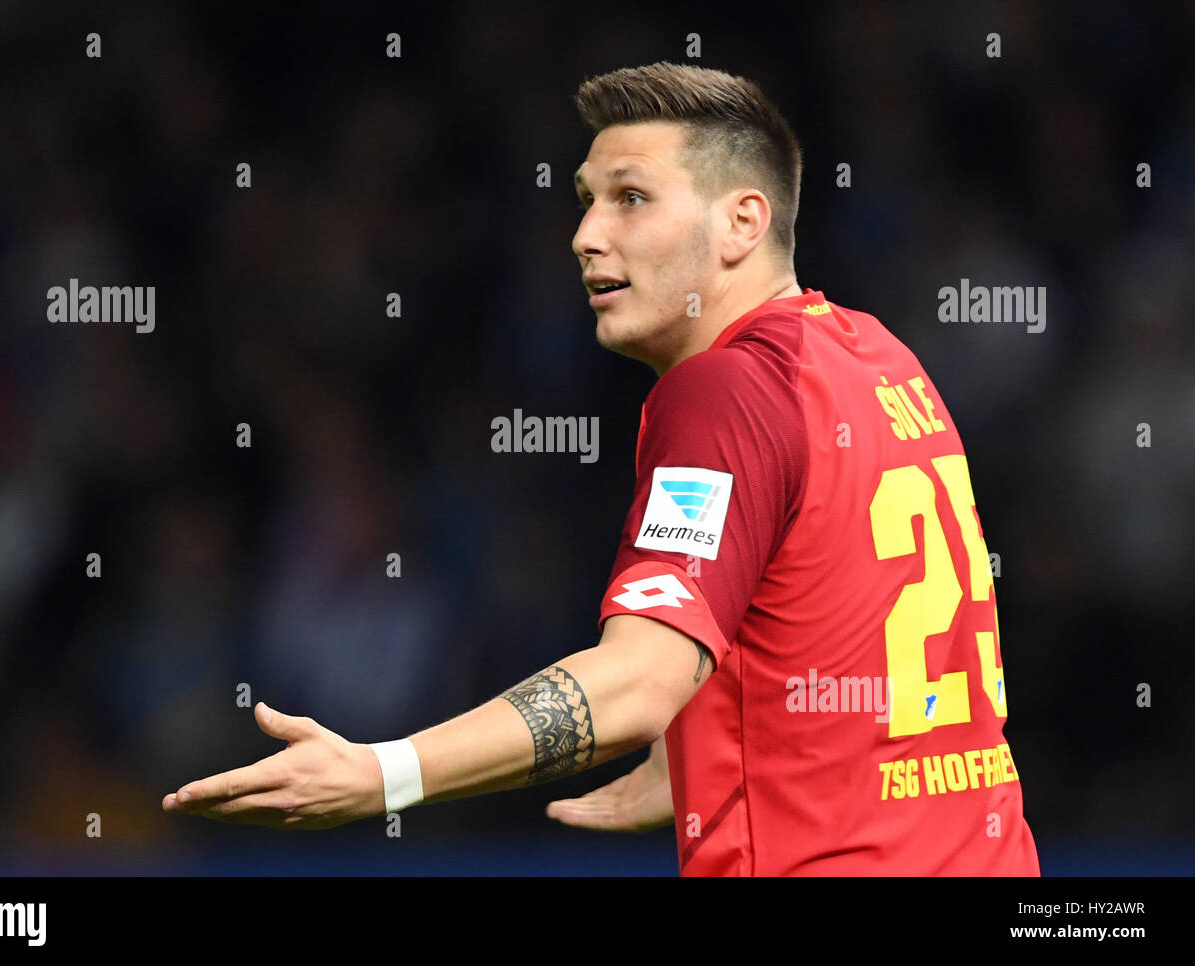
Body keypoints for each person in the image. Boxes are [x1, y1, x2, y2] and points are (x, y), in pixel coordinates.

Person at [163, 61, 1039, 876]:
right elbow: (847, 618)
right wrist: (715, 745)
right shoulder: (878, 357)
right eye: (585, 201)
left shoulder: (724, 390)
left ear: (742, 221)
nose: (585, 235)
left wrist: (385, 773)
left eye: (631, 199)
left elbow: (639, 682)